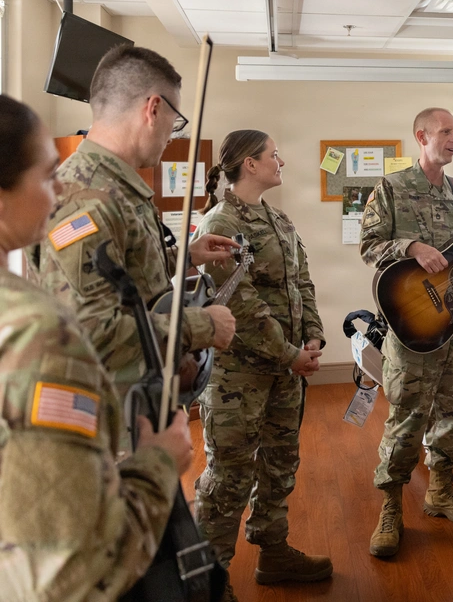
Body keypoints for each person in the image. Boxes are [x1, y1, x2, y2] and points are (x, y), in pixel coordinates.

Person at [0, 94, 194, 598]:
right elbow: (77, 573)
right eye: (45, 176)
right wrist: (159, 462)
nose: (61, 187)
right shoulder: (38, 335)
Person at [29, 45, 237, 393]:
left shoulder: (115, 185)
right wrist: (201, 325)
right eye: (176, 122)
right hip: (110, 412)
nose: (173, 135)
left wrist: (185, 255)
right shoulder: (86, 199)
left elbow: (124, 276)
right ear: (154, 109)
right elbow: (90, 332)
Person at [193, 129, 329, 599]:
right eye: (274, 155)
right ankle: (209, 581)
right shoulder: (220, 221)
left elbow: (302, 283)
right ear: (249, 164)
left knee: (279, 465)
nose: (281, 161)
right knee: (228, 478)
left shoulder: (279, 220)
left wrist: (312, 337)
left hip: (286, 372)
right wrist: (291, 354)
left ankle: (273, 552)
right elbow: (245, 308)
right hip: (240, 376)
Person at [360, 107, 453, 558]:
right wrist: (412, 247)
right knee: (406, 417)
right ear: (421, 136)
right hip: (414, 329)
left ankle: (440, 492)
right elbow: (369, 246)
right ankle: (390, 508)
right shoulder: (392, 188)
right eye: (445, 132)